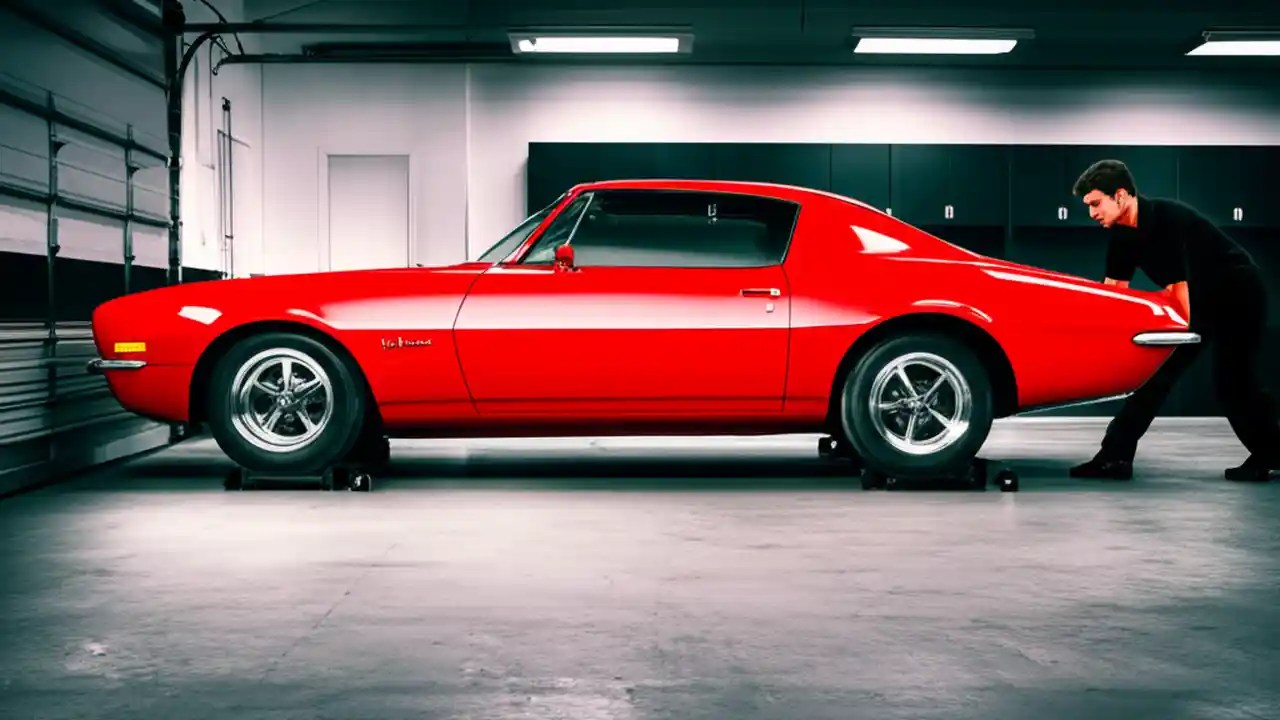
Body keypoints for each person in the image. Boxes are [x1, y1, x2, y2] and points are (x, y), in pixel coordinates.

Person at [1067, 159, 1280, 482]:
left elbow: (1182, 292)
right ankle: (1115, 458)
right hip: (1198, 299)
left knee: (1234, 382)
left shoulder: (1170, 219)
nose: (1092, 213)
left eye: (1096, 203)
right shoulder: (1122, 237)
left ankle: (1270, 455)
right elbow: (1112, 294)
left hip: (1239, 294)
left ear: (1121, 196)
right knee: (1153, 377)